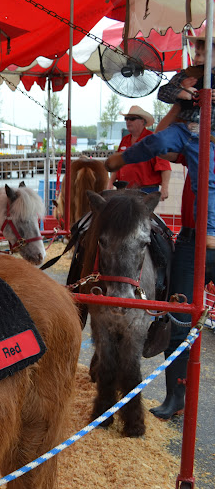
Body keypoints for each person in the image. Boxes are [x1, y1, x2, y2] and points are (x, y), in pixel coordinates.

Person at [105, 35, 215, 419]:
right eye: (129, 119)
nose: (130, 122)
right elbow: (164, 142)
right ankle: (175, 396)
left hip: (156, 200)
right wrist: (185, 99)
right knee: (178, 314)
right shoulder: (186, 123)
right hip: (191, 234)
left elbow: (162, 166)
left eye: (135, 119)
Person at [106, 105, 171, 200]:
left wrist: (164, 188)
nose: (128, 121)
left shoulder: (153, 139)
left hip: (146, 190)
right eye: (126, 118)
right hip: (124, 189)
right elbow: (117, 164)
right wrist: (110, 183)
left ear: (142, 121)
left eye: (132, 118)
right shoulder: (125, 140)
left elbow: (165, 167)